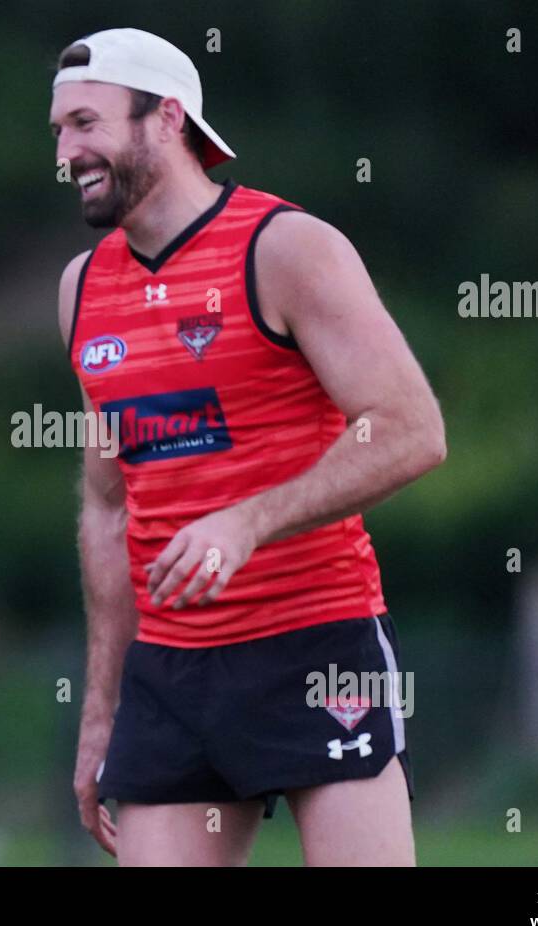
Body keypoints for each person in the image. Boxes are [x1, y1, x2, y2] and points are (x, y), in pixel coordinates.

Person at [49, 30, 446, 865]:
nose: (66, 151)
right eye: (57, 130)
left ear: (166, 118)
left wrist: (247, 522)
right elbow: (107, 504)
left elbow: (410, 430)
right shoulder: (82, 287)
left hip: (317, 638)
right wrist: (101, 710)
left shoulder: (288, 248)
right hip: (172, 671)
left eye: (85, 123)